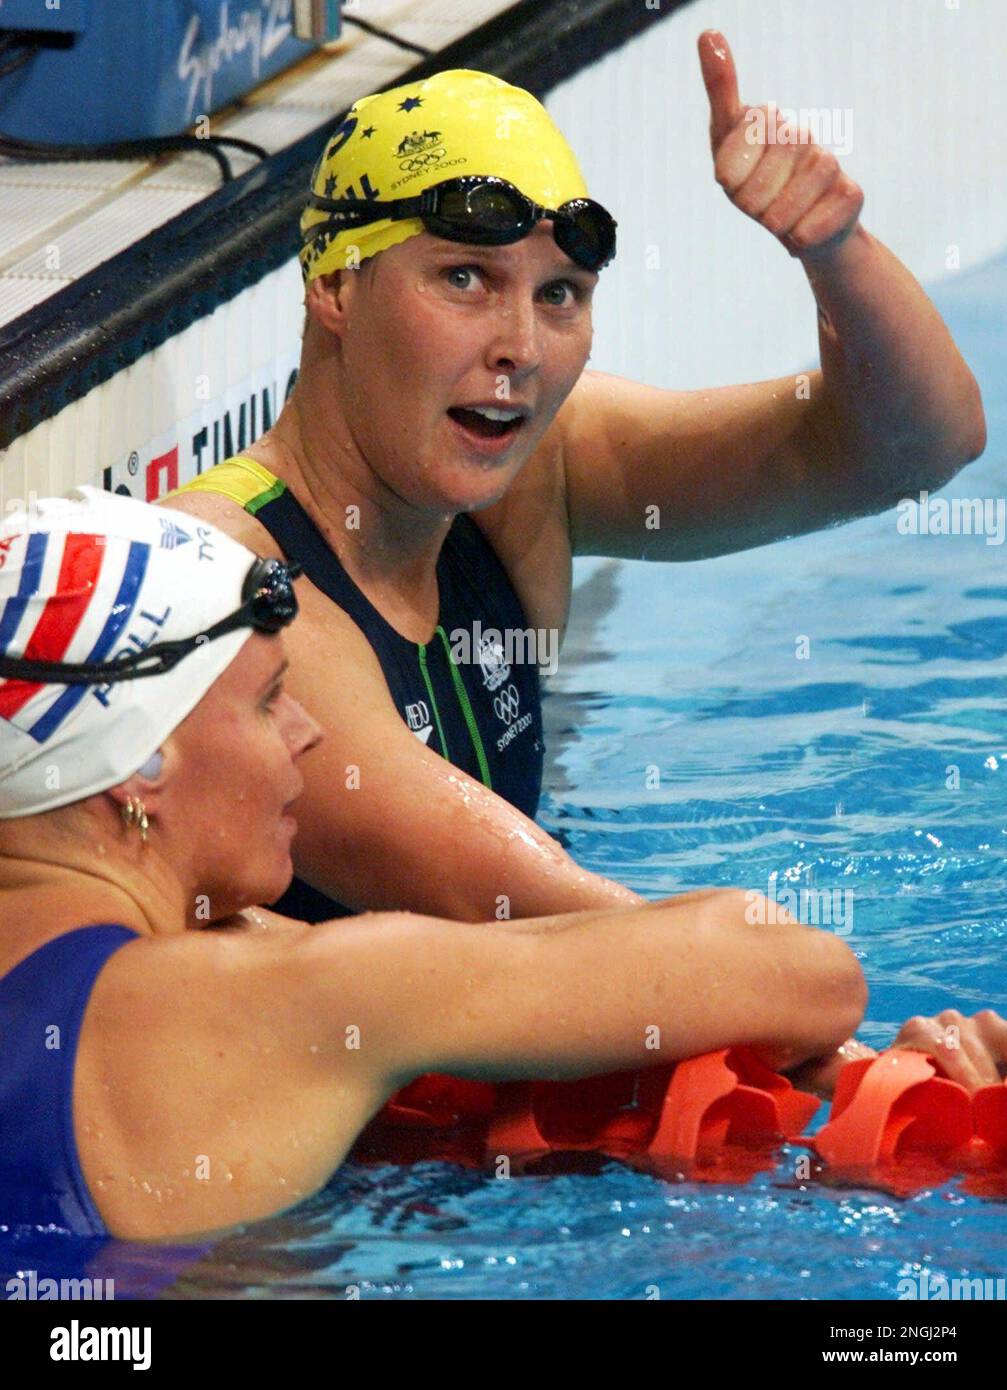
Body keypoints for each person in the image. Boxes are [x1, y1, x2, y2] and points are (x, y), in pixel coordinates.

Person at [0, 493, 1002, 1241]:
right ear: (139, 760)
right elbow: (801, 970)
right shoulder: (273, 997)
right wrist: (881, 1089)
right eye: (267, 702)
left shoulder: (225, 972)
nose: (306, 733)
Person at [160, 41, 986, 926]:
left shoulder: (530, 480)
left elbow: (913, 449)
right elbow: (513, 904)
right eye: (465, 278)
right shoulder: (227, 580)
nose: (519, 346)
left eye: (559, 294)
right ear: (335, 285)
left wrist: (834, 251)